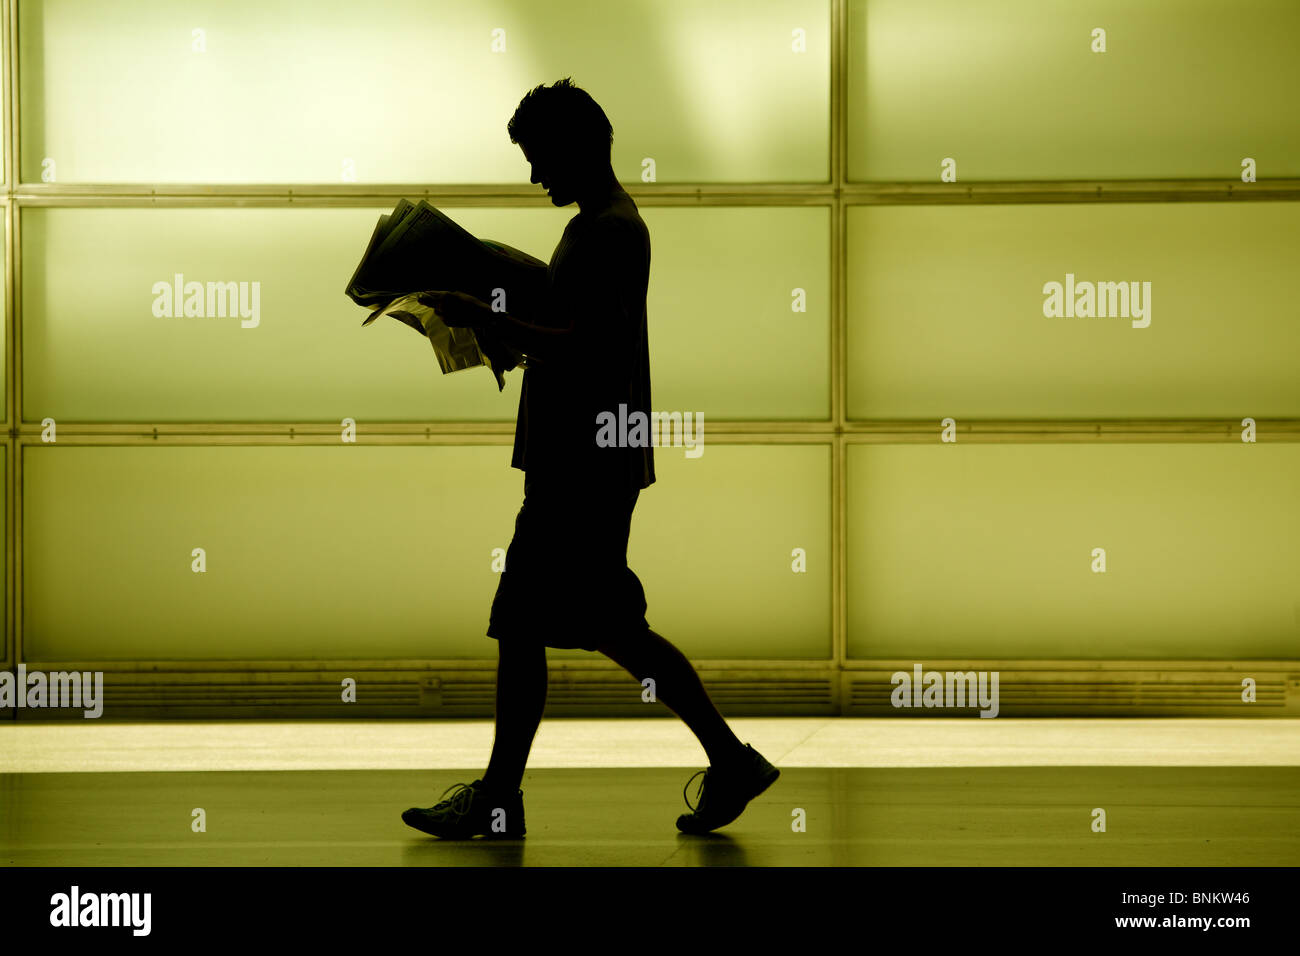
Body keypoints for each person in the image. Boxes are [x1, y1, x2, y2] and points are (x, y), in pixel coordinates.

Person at [402, 78, 777, 840]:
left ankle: (503, 799)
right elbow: (581, 337)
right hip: (590, 461)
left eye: (541, 158)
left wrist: (484, 314)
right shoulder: (601, 225)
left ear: (577, 147)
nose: (536, 175)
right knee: (597, 626)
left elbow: (585, 347)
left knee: (538, 623)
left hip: (581, 467)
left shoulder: (605, 232)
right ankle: (725, 762)